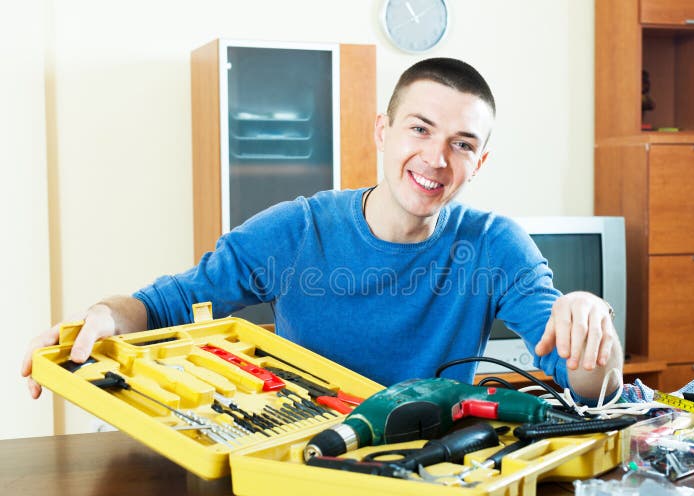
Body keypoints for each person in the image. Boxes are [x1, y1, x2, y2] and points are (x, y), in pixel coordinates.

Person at [22, 58, 622, 403]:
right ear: (382, 130)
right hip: (294, 461)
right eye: (420, 129)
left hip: (432, 472)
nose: (437, 158)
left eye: (461, 144)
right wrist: (103, 314)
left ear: (479, 163)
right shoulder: (297, 230)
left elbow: (591, 387)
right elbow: (168, 302)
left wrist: (590, 328)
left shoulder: (496, 244)